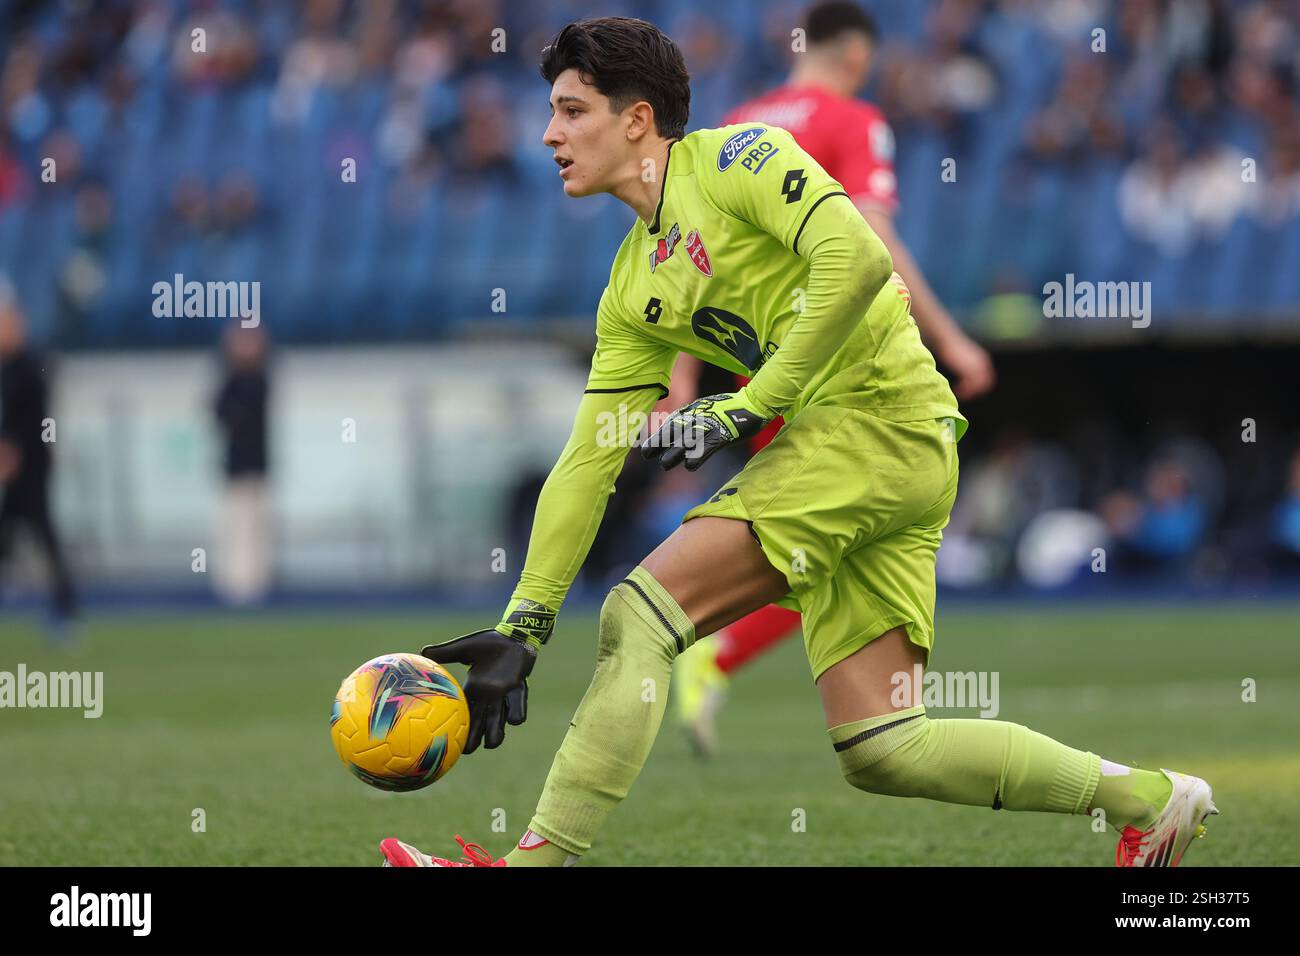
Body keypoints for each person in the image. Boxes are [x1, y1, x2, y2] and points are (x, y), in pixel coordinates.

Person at [382, 17, 1215, 868]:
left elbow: (856, 261)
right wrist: (524, 623)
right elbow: (591, 455)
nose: (549, 134)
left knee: (639, 614)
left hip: (873, 423)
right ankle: (1149, 799)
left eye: (569, 110)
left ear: (635, 120)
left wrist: (749, 405)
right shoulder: (633, 285)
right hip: (888, 449)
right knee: (885, 747)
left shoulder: (744, 159)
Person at [673, 2, 997, 753]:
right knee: (808, 551)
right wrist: (950, 339)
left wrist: (684, 373)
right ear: (856, 56)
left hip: (764, 364)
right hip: (844, 370)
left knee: (811, 552)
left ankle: (708, 652)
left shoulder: (739, 125)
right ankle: (703, 650)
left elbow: (693, 256)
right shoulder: (851, 119)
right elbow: (871, 237)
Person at [0, 279, 78, 638]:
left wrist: (19, 450)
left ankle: (65, 610)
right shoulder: (9, 368)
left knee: (45, 538)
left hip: (31, 469)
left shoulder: (32, 366)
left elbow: (38, 420)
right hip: (12, 470)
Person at [213, 323, 272, 605]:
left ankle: (253, 585)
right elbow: (220, 411)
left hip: (254, 464)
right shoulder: (233, 380)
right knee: (236, 524)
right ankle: (235, 585)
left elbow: (242, 415)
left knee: (254, 525)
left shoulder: (259, 380)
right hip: (236, 465)